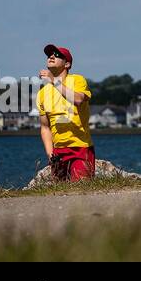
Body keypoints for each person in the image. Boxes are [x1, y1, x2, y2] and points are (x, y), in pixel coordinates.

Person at [36, 45, 95, 182]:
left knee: (81, 192)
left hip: (80, 147)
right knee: (61, 195)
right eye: (49, 55)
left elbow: (79, 99)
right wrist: (51, 155)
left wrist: (54, 81)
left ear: (67, 64)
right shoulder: (42, 93)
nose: (51, 56)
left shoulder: (77, 80)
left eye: (57, 55)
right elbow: (45, 127)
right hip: (58, 152)